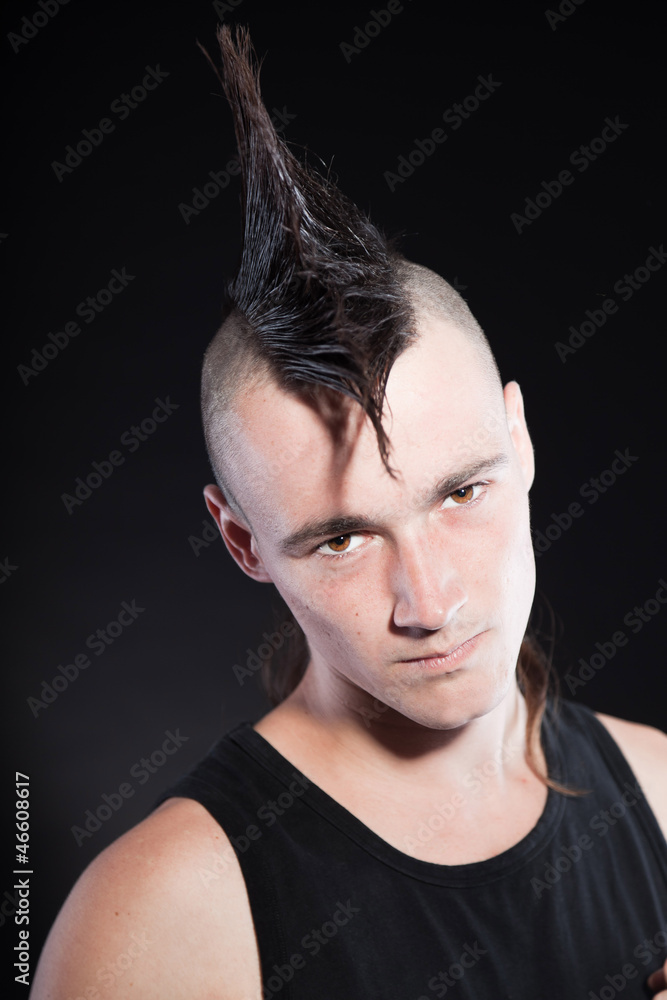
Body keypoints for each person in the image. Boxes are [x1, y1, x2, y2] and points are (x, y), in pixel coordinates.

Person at [31, 24, 667, 1000]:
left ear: (520, 439)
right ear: (242, 541)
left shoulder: (663, 793)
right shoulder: (161, 922)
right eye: (341, 537)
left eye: (462, 490)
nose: (431, 597)